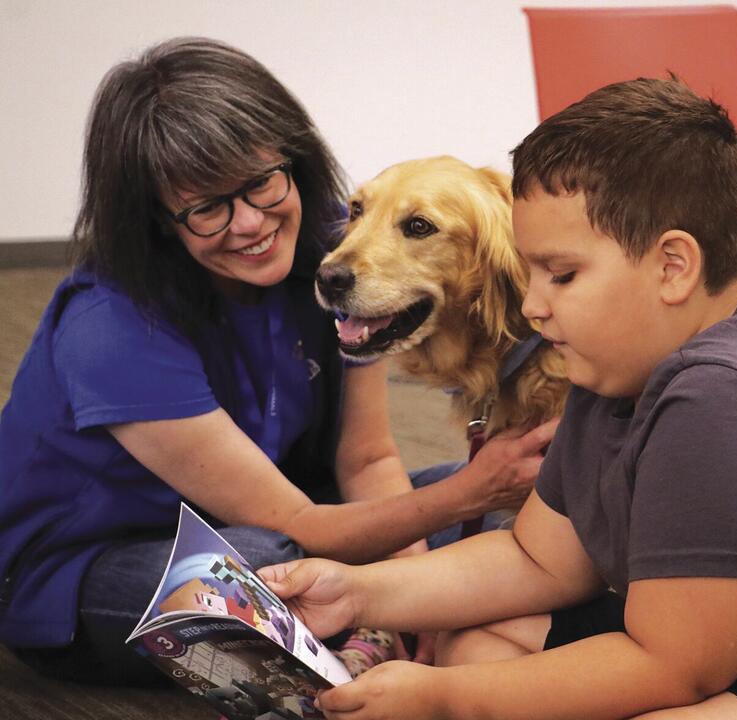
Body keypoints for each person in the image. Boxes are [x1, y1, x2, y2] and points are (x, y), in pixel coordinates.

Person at [259, 78, 737, 720]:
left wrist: (443, 700)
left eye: (560, 276)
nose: (530, 306)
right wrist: (358, 589)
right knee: (475, 643)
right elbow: (537, 561)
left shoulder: (721, 402)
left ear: (673, 267)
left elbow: (674, 668)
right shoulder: (610, 367)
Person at [0, 37, 555, 685]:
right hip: (81, 567)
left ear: (292, 160)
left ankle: (394, 633)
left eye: (261, 182)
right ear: (157, 219)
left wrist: (422, 586)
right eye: (208, 207)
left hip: (286, 508)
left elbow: (369, 461)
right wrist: (447, 532)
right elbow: (299, 526)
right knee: (272, 564)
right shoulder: (112, 328)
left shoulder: (335, 248)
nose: (250, 224)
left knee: (500, 502)